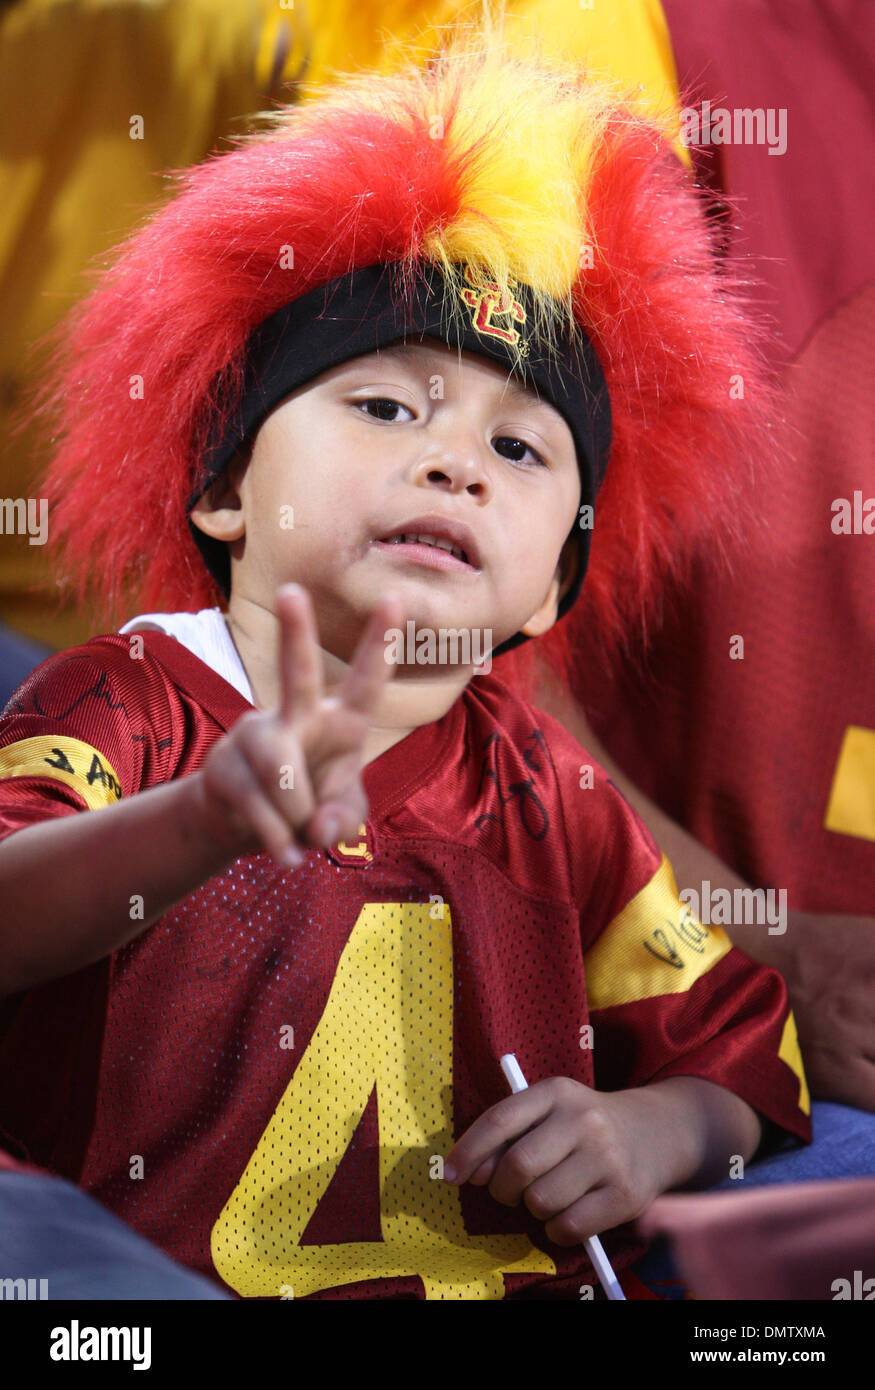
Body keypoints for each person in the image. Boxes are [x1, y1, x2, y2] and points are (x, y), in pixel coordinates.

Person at [0, 28, 810, 1300]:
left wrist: (656, 1133)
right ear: (221, 489)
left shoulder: (553, 792)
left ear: (549, 585)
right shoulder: (128, 696)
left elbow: (740, 1052)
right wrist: (199, 819)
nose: (455, 463)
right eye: (385, 407)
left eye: (524, 452)